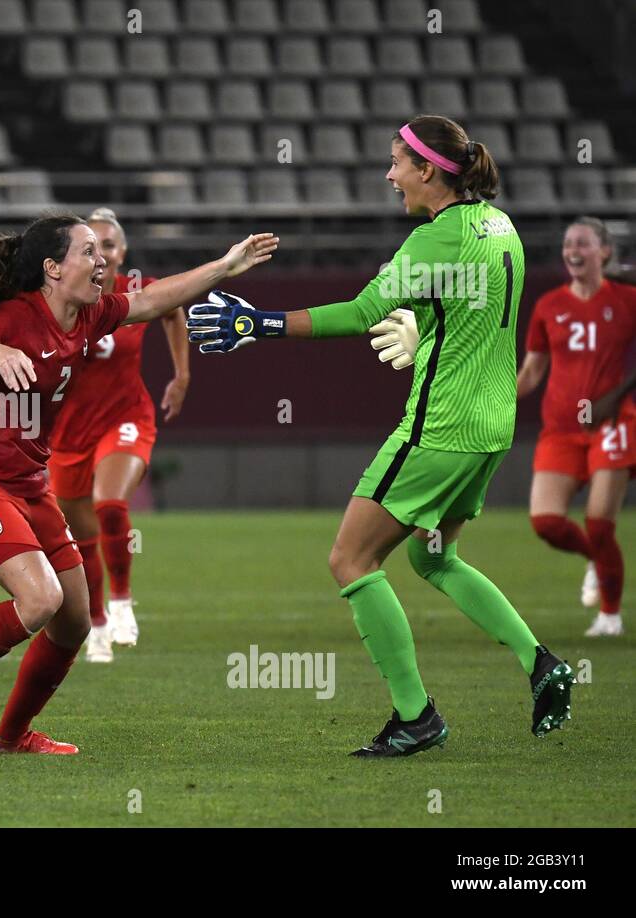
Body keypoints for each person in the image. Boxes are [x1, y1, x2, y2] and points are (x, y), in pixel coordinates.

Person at [188, 115, 576, 756]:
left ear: (428, 170)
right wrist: (422, 329)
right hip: (491, 427)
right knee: (433, 558)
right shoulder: (499, 226)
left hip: (439, 426)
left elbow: (360, 312)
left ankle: (416, 715)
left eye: (398, 162)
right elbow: (470, 313)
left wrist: (263, 324)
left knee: (350, 559)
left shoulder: (435, 239)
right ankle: (540, 664)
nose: (389, 175)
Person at [0, 214, 277, 754]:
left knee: (75, 619)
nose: (101, 260)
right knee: (40, 600)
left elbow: (153, 301)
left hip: (31, 485)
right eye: (87, 251)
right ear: (53, 268)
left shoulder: (89, 314)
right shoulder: (13, 316)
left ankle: (10, 737)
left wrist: (224, 266)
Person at [47, 207, 190, 661]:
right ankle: (97, 620)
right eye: (90, 248)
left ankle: (123, 602)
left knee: (110, 503)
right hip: (68, 433)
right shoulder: (60, 297)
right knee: (79, 536)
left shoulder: (136, 291)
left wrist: (181, 375)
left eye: (108, 246)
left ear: (122, 251)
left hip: (125, 418)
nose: (101, 255)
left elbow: (173, 310)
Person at [517, 218, 636, 638]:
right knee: (546, 522)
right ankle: (594, 559)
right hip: (561, 428)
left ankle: (609, 615)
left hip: (610, 424)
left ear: (603, 251)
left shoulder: (626, 300)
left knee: (600, 523)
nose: (573, 250)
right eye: (568, 243)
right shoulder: (550, 306)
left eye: (582, 243)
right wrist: (494, 399)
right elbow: (532, 372)